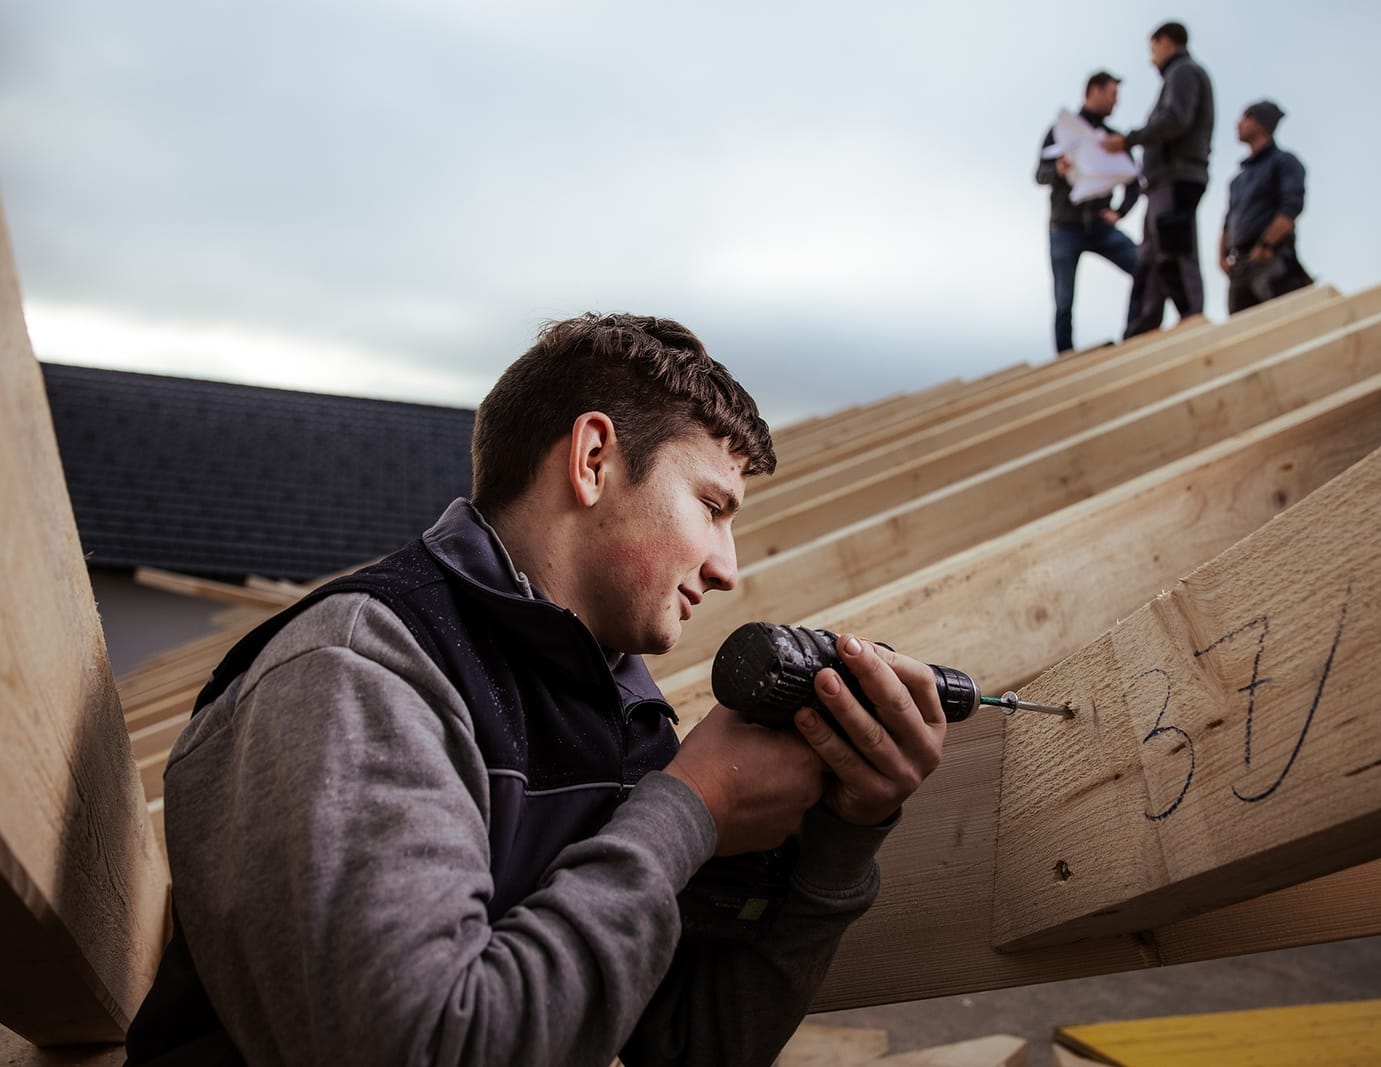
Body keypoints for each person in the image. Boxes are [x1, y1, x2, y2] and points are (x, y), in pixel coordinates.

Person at [123, 313, 948, 1066]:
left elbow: (696, 1045)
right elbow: (427, 1046)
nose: (729, 568)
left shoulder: (620, 708)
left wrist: (845, 834)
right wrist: (691, 805)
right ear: (594, 460)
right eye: (710, 505)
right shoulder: (359, 674)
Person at [1102, 21, 1215, 338]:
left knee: (1175, 250)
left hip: (1177, 177)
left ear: (1166, 42)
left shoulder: (1183, 73)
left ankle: (1192, 320)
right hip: (1164, 181)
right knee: (1151, 261)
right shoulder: (1178, 76)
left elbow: (1176, 120)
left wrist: (1130, 139)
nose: (1151, 58)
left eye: (1153, 49)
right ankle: (1141, 330)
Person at [1036, 70, 1142, 354]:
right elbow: (1039, 174)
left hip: (1098, 225)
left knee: (1145, 266)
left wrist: (1119, 212)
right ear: (1094, 90)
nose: (1115, 103)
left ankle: (1133, 334)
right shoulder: (1061, 130)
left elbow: (1135, 183)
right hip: (1064, 226)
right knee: (1063, 300)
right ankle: (1066, 358)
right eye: (1112, 95)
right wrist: (1057, 171)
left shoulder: (1112, 139)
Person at [1220, 100, 1313, 314]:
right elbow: (1227, 222)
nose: (1238, 124)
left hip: (1272, 261)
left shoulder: (1283, 162)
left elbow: (1291, 208)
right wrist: (1221, 258)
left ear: (1261, 123)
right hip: (1240, 268)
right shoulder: (1238, 180)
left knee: (1288, 324)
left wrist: (1266, 245)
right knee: (1242, 337)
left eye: (1246, 118)